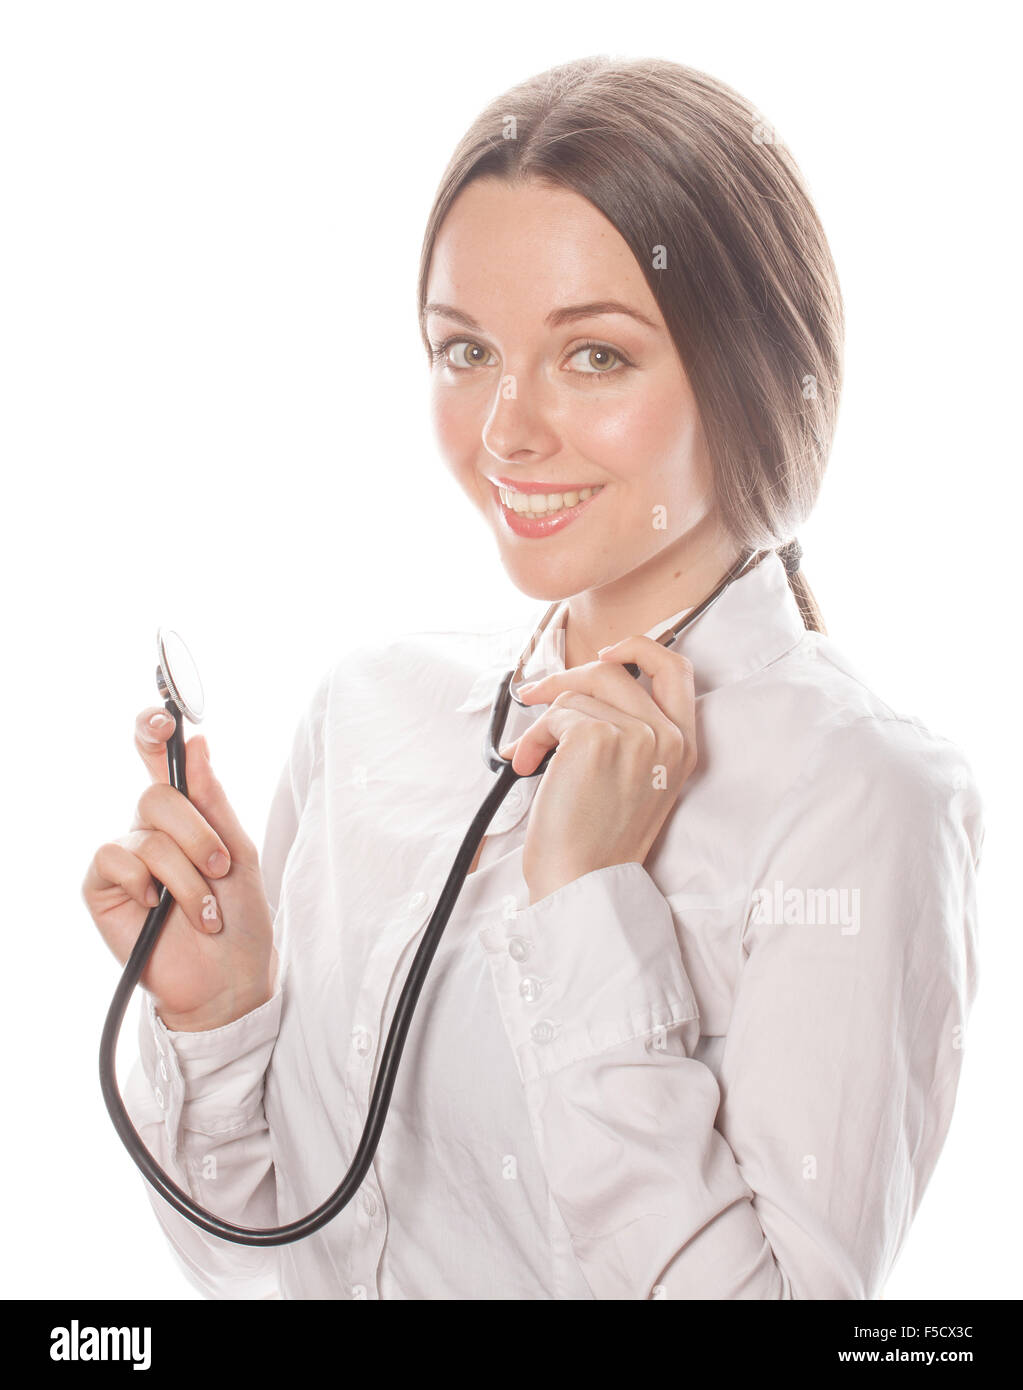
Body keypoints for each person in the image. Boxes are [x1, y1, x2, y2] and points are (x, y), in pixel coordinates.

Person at [82, 55, 984, 1300]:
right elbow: (286, 1265)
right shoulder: (368, 715)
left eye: (595, 356)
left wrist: (591, 905)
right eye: (465, 351)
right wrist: (223, 1018)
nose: (505, 428)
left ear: (752, 373)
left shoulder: (859, 795)